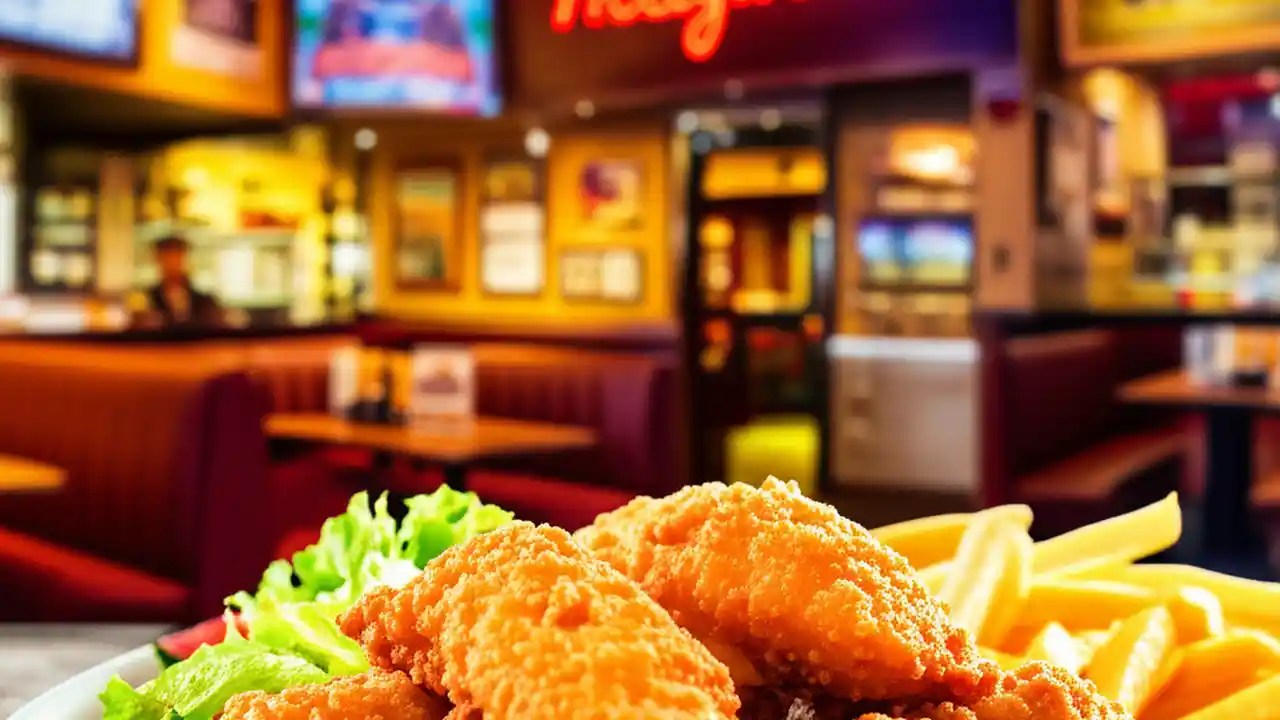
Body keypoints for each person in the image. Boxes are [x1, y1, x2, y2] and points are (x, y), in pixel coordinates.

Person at [139, 235, 222, 328]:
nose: (172, 263)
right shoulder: (146, 299)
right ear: (157, 259)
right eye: (167, 257)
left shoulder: (205, 301)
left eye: (177, 257)